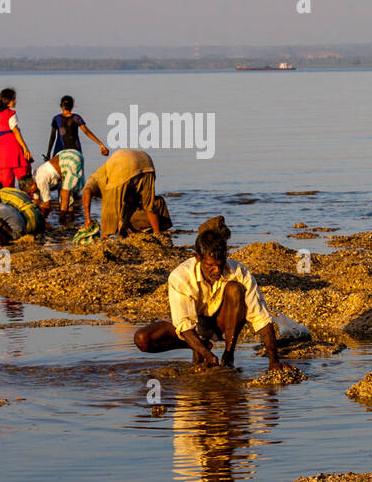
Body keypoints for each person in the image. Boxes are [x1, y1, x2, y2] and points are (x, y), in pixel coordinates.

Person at [133, 227, 294, 373]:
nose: (217, 270)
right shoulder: (180, 277)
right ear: (197, 257)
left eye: (220, 264)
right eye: (210, 265)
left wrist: (274, 360)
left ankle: (228, 356)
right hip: (193, 328)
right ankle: (200, 347)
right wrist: (207, 354)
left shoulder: (239, 271)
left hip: (223, 323)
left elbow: (261, 318)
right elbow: (184, 325)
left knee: (235, 288)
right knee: (143, 339)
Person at [80, 148, 164, 237]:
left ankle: (105, 238)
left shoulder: (95, 177)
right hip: (146, 162)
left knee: (109, 206)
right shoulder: (109, 170)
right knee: (148, 204)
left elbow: (86, 191)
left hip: (124, 163)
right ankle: (157, 234)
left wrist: (88, 218)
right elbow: (130, 203)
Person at [0, 89, 33, 189]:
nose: (15, 101)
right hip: (13, 146)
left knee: (5, 180)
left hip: (2, 149)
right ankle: (29, 199)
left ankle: (6, 200)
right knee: (23, 174)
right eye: (14, 99)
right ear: (8, 100)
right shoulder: (11, 113)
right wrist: (25, 148)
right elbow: (16, 132)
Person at [45, 95, 108, 161]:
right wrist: (100, 144)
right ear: (72, 106)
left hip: (59, 152)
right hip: (75, 151)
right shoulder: (76, 118)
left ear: (61, 106)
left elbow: (52, 137)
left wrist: (48, 153)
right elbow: (86, 132)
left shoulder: (56, 119)